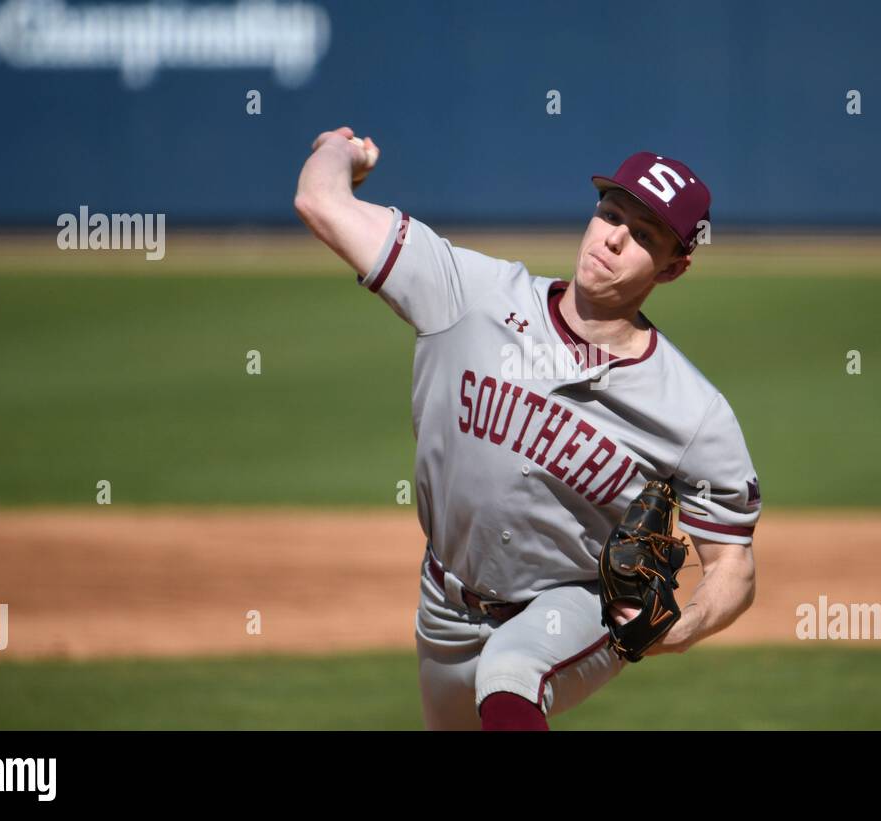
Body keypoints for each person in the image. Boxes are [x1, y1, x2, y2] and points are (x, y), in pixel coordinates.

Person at [294, 126, 761, 730]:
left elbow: (734, 566)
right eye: (610, 214)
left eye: (643, 235)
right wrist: (341, 149)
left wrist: (681, 629)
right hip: (444, 599)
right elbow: (319, 202)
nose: (613, 238)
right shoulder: (470, 294)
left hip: (570, 602)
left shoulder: (691, 411)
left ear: (673, 268)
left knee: (510, 675)